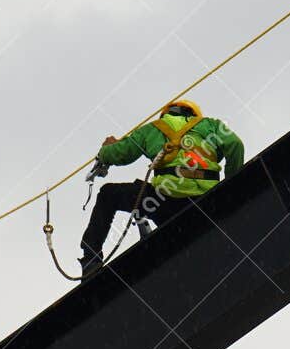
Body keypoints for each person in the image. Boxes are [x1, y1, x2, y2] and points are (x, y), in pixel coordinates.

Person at [79, 100, 245, 278]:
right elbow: (236, 145)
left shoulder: (153, 129)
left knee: (108, 194)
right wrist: (229, 187)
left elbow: (121, 153)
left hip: (164, 201)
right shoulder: (211, 125)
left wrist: (106, 151)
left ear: (166, 114)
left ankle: (91, 260)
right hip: (207, 202)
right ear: (194, 114)